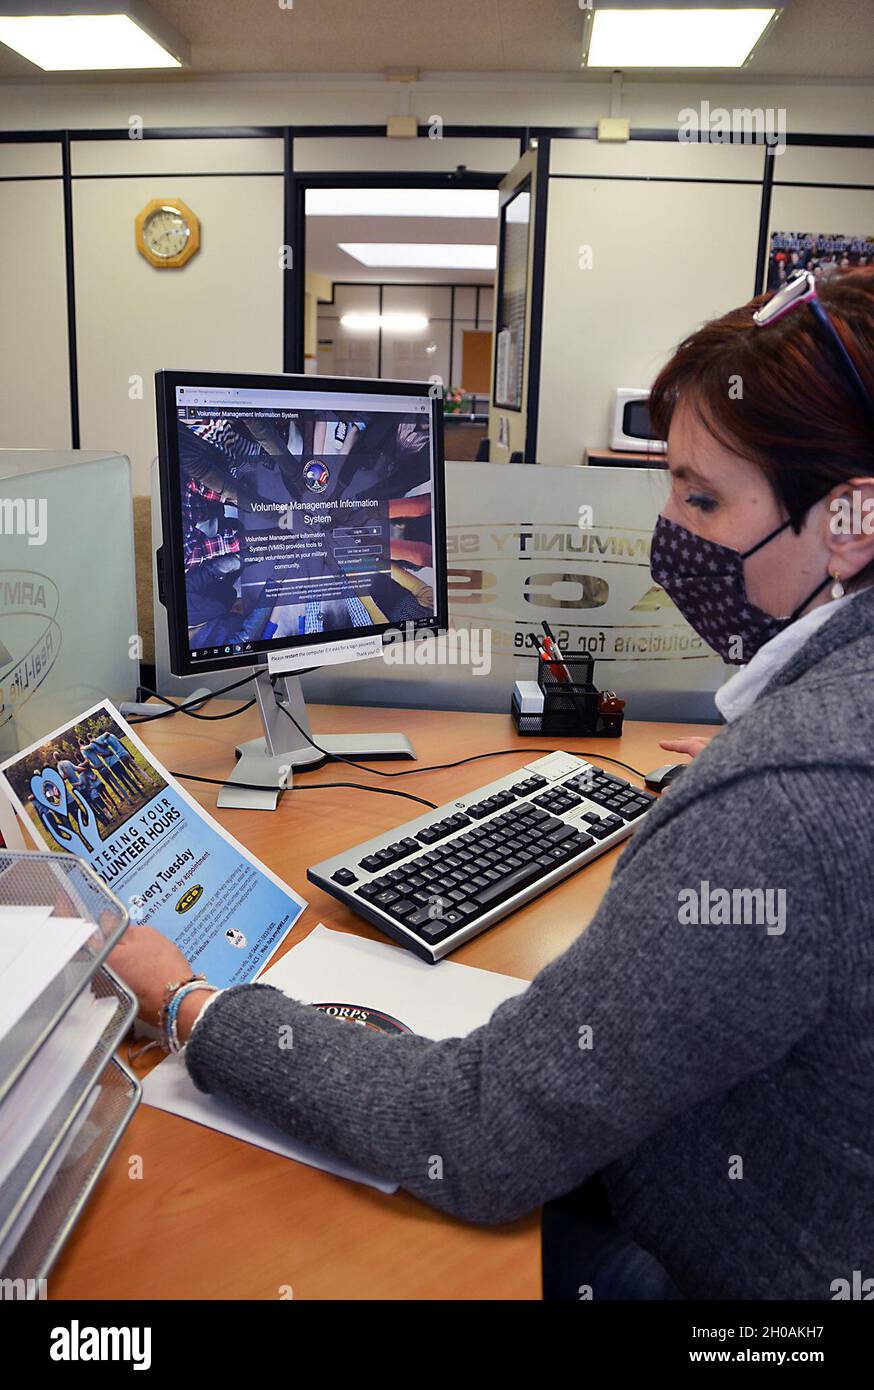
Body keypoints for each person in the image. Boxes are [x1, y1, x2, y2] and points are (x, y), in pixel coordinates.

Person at [108, 270, 874, 1301]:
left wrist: (188, 1002)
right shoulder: (816, 759)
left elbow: (472, 1135)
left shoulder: (786, 794)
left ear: (847, 521)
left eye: (700, 496)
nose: (670, 538)